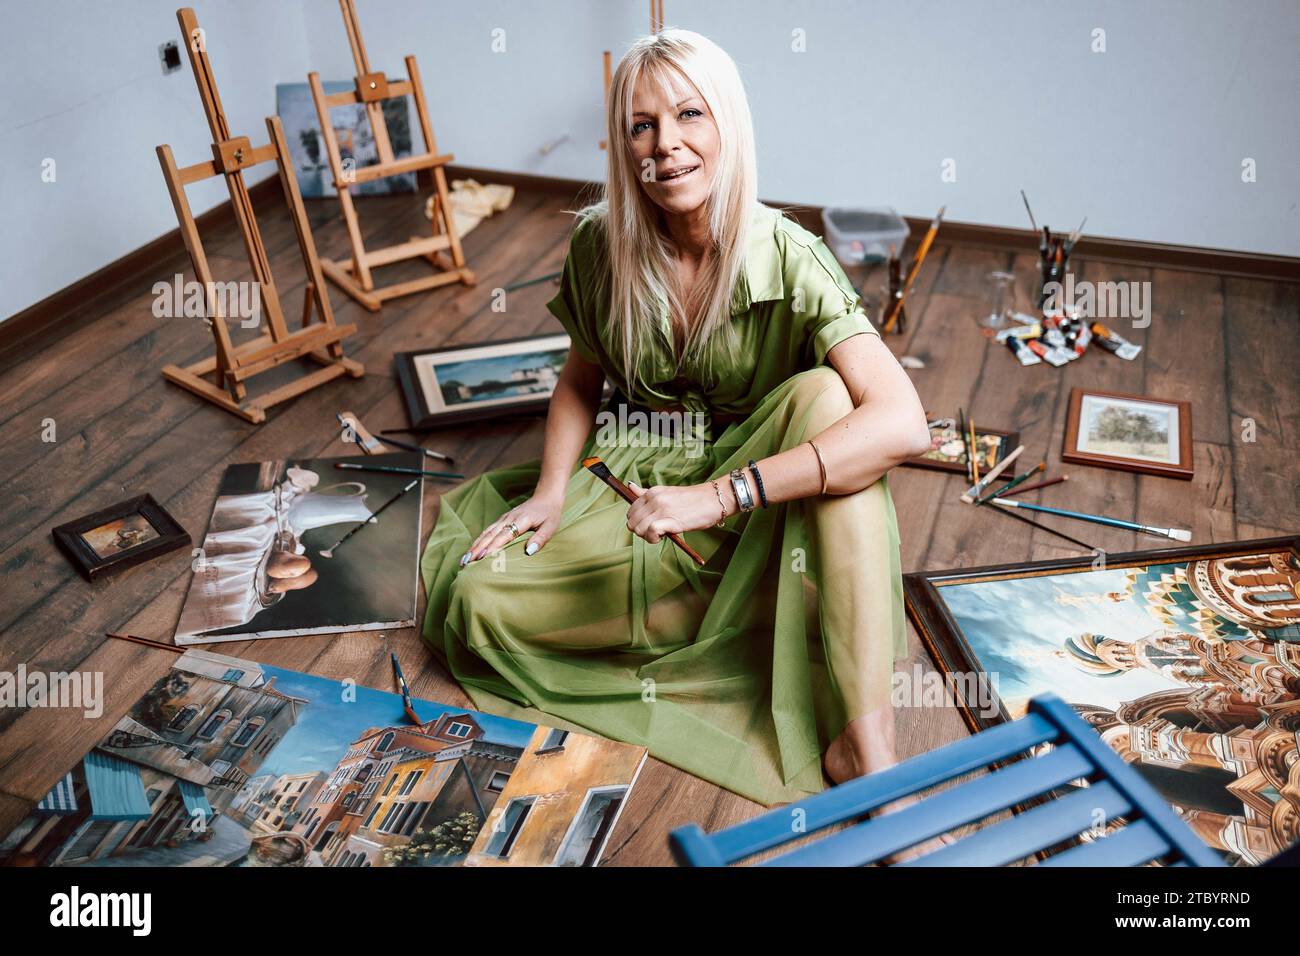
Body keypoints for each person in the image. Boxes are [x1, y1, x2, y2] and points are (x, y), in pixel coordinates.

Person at [419, 29, 931, 806]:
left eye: (690, 114)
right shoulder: (599, 243)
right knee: (475, 603)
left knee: (831, 398)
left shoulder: (791, 253)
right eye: (642, 125)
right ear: (624, 146)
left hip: (761, 491)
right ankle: (763, 603)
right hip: (639, 482)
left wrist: (721, 497)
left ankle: (869, 753)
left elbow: (904, 424)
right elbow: (579, 382)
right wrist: (552, 493)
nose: (667, 145)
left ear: (727, 124)